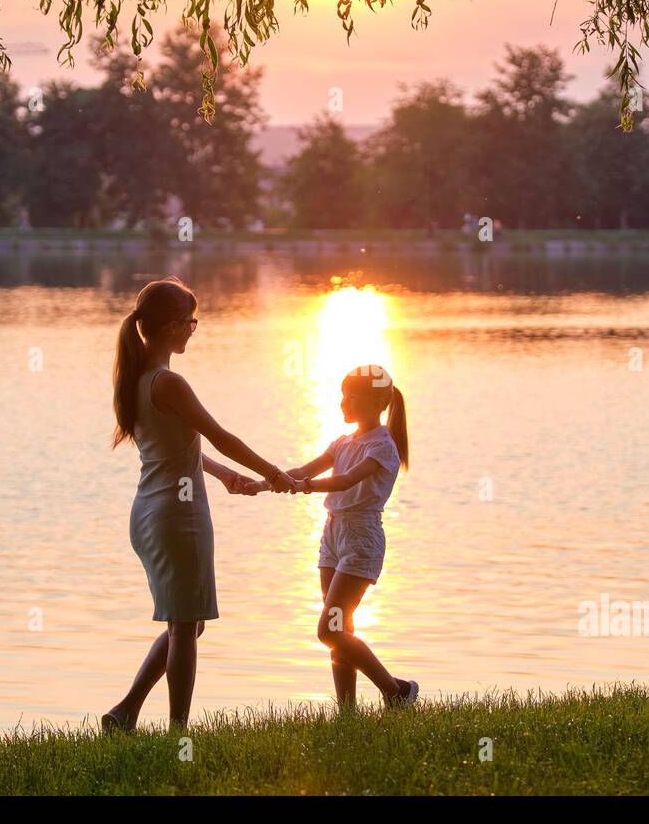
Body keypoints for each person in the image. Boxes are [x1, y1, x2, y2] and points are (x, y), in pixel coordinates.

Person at [102, 276, 297, 732]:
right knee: (185, 628)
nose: (194, 329)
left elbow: (177, 446)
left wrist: (226, 475)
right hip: (179, 516)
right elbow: (222, 436)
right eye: (191, 322)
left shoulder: (136, 379)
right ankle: (178, 734)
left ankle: (125, 713)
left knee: (185, 623)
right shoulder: (170, 383)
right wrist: (275, 473)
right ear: (171, 327)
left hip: (148, 513)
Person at [248, 364, 417, 708]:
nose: (342, 402)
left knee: (330, 630)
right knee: (341, 629)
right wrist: (265, 483)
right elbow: (303, 471)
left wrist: (303, 487)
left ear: (373, 402)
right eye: (342, 395)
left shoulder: (383, 446)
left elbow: (347, 480)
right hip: (333, 535)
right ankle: (347, 712)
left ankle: (396, 691)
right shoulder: (342, 442)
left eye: (350, 396)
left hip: (360, 539)